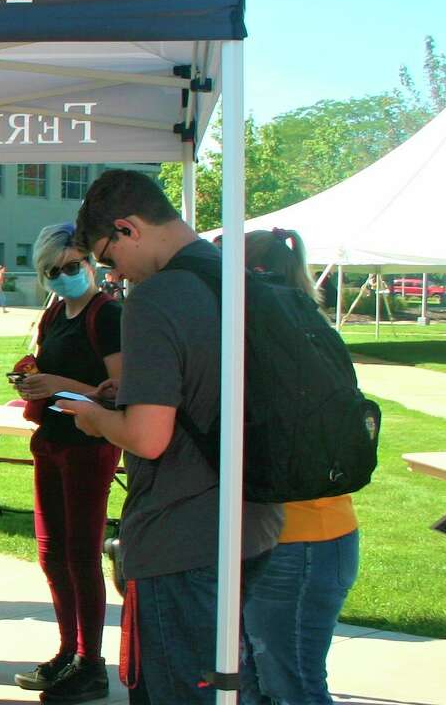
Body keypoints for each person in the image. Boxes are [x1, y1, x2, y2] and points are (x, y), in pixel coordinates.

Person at [66, 169, 283, 704]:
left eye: (109, 258)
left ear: (127, 228)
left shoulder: (157, 296)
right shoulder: (234, 275)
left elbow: (147, 438)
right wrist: (135, 390)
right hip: (253, 524)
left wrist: (94, 418)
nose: (116, 274)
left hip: (181, 536)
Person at [238, 228, 360, 705]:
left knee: (293, 687)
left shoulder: (269, 341)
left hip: (297, 540)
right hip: (313, 535)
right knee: (256, 683)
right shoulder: (309, 330)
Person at [10, 223, 123, 702]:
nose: (62, 277)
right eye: (52, 272)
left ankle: (90, 663)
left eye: (72, 266)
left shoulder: (107, 314)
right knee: (52, 553)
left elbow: (119, 390)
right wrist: (32, 380)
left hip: (89, 444)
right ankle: (69, 651)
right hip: (53, 440)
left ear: (91, 263)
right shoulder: (56, 311)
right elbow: (48, 368)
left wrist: (58, 383)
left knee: (81, 554)